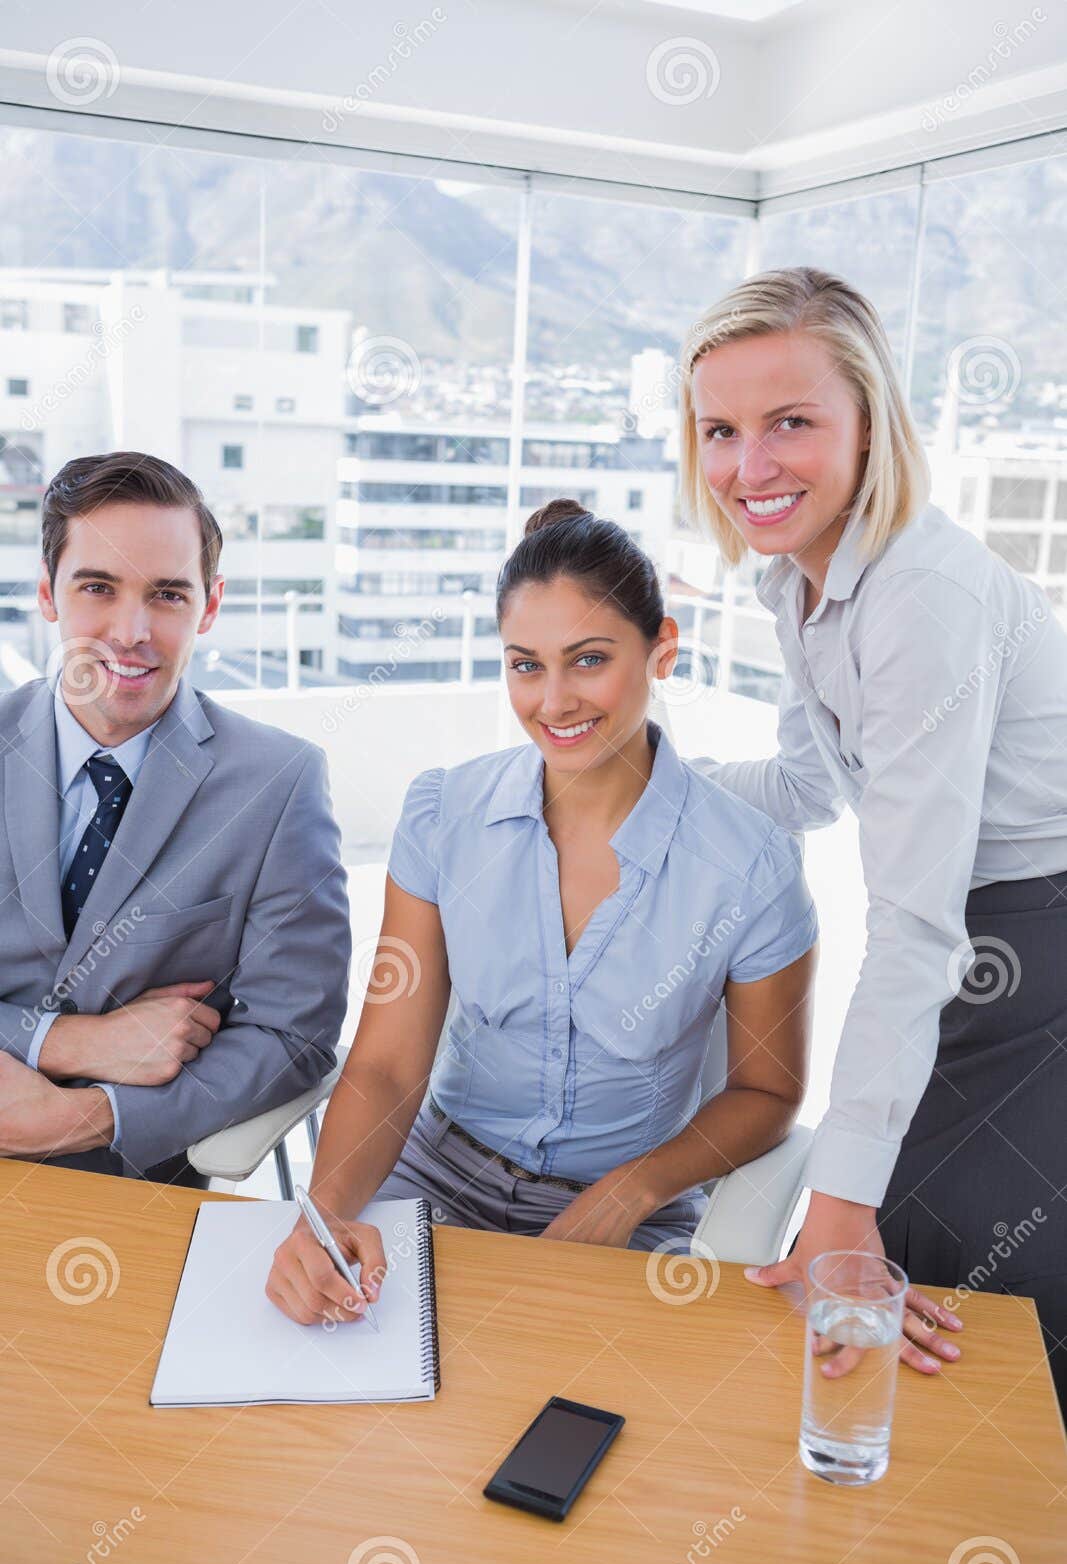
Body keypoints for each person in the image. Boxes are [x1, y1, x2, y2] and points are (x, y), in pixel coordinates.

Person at [272, 499, 845, 1332]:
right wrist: (320, 1220)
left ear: (661, 652)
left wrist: (632, 1191)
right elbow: (390, 1066)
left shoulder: (750, 865)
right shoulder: (444, 817)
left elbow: (765, 1088)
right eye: (524, 665)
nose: (553, 700)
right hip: (434, 1179)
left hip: (628, 1214)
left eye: (587, 660)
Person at [678, 265, 1067, 1405]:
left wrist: (839, 1203)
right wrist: (640, 778)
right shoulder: (794, 583)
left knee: (963, 1275)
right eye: (720, 430)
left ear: (868, 423)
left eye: (789, 422)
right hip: (981, 934)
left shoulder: (918, 597)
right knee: (902, 1258)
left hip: (1035, 929)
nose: (750, 467)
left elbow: (909, 921)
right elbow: (806, 783)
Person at [0, 451, 350, 1184]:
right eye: (98, 587)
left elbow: (295, 1035)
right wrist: (66, 1044)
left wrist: (85, 1116)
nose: (131, 631)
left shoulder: (278, 783)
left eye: (166, 595)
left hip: (138, 1185)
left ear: (210, 606)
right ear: (47, 592)